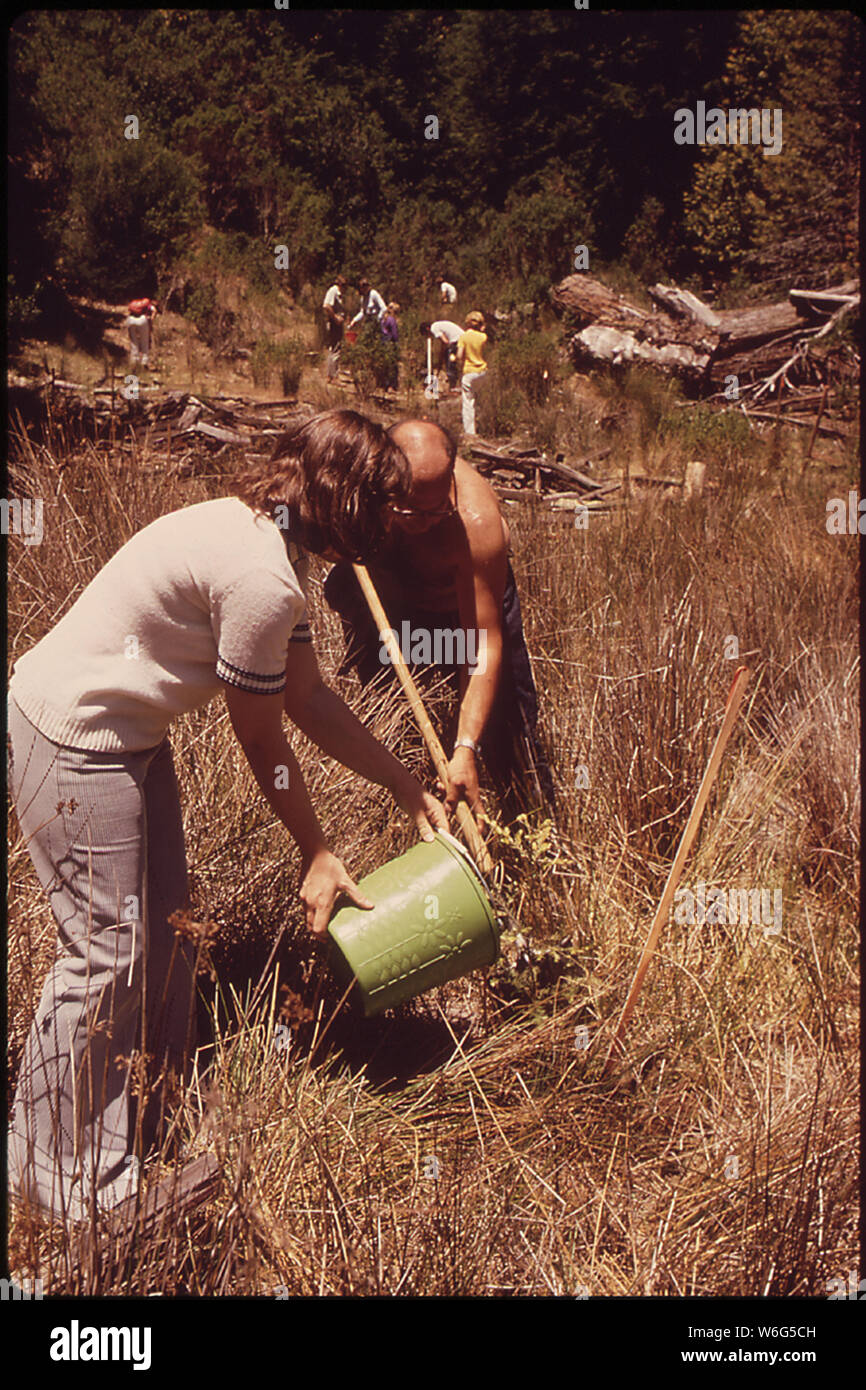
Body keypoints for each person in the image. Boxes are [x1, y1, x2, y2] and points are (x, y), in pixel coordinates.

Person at [6, 409, 447, 1224]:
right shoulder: (262, 578)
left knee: (165, 936)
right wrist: (315, 848)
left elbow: (310, 694)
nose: (391, 521)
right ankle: (55, 1175)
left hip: (123, 735)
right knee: (107, 956)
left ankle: (145, 1114)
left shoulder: (272, 544)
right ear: (343, 497)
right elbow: (263, 738)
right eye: (382, 504)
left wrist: (404, 785)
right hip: (71, 740)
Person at [323, 418, 555, 820]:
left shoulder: (476, 522)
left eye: (435, 512)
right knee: (394, 717)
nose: (423, 521)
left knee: (509, 727)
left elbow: (481, 643)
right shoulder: (358, 491)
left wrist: (466, 745)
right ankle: (403, 812)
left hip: (461, 613)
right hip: (394, 604)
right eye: (408, 511)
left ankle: (533, 833)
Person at [456, 311, 489, 436]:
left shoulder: (464, 336)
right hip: (482, 371)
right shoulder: (483, 337)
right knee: (482, 400)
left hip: (469, 372)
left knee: (468, 403)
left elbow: (459, 355)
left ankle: (470, 432)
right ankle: (485, 426)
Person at [420, 320, 463, 392]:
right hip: (459, 339)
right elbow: (445, 343)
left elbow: (445, 341)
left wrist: (443, 353)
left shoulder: (434, 328)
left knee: (450, 363)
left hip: (457, 340)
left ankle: (453, 386)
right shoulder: (438, 325)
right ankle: (455, 384)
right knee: (450, 360)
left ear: (427, 329)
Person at [321, 274, 347, 381]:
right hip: (334, 324)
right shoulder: (333, 291)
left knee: (333, 349)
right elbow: (326, 305)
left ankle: (330, 375)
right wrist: (335, 317)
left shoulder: (337, 293)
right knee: (336, 349)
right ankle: (334, 376)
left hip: (336, 324)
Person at [126, 297, 157, 368]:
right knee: (144, 341)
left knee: (134, 341)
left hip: (131, 320)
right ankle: (144, 362)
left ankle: (134, 361)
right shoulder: (147, 303)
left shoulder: (134, 302)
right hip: (142, 320)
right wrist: (151, 319)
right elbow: (154, 310)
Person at [380, 302, 401, 390]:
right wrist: (397, 343)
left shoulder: (383, 319)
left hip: (383, 341)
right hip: (390, 341)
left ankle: (383, 384)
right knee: (392, 364)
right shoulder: (392, 320)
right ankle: (392, 385)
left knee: (385, 363)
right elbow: (394, 333)